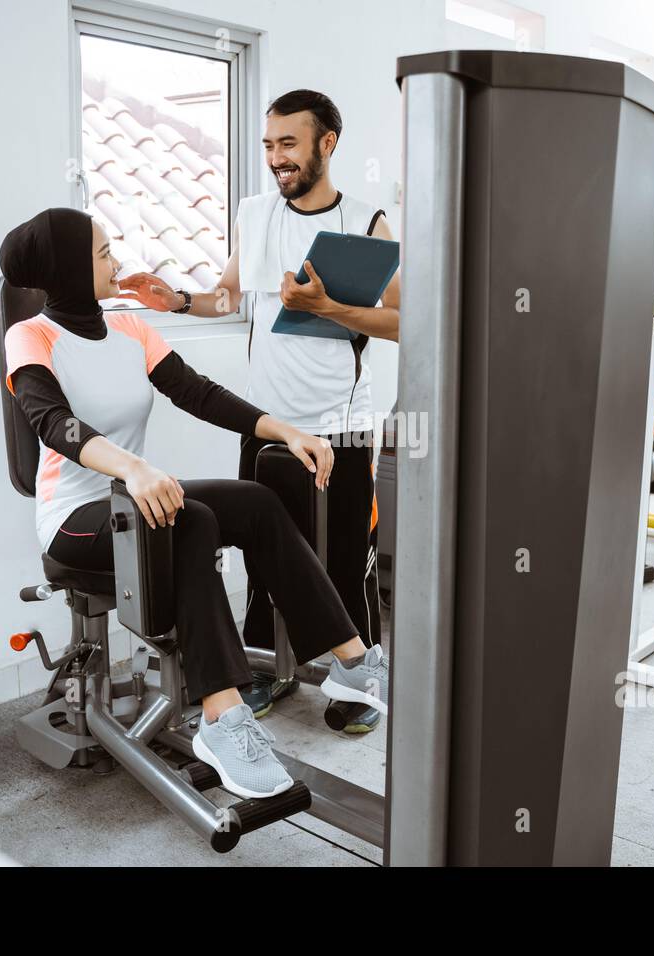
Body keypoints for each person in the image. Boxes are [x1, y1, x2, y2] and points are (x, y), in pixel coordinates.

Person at [0, 206, 388, 800]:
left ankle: (353, 661)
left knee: (255, 502)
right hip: (74, 521)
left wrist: (283, 430)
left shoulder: (129, 330)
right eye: (103, 253)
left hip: (140, 499)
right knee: (191, 516)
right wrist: (133, 469)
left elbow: (196, 393)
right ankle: (222, 719)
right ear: (70, 267)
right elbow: (51, 422)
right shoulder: (32, 336)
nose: (115, 260)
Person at [118, 90, 398, 732]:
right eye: (269, 145)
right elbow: (231, 297)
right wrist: (181, 299)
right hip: (267, 422)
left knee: (344, 558)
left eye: (289, 144)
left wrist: (327, 309)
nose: (277, 158)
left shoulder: (366, 222)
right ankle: (265, 668)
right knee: (264, 553)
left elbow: (403, 322)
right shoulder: (255, 214)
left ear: (328, 143)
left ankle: (358, 681)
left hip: (342, 426)